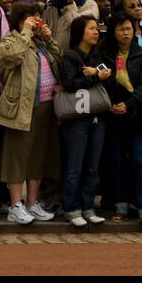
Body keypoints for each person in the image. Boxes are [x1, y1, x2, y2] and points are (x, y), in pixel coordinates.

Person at [0, 1, 62, 225]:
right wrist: (25, 33)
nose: (35, 22)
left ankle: (32, 203)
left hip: (46, 105)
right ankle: (15, 205)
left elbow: (60, 62)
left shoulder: (40, 42)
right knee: (17, 156)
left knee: (38, 155)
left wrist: (49, 39)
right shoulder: (11, 40)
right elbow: (10, 57)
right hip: (21, 107)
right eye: (30, 18)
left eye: (37, 17)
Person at [98, 10, 142, 231]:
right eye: (121, 29)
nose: (126, 33)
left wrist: (129, 104)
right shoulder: (104, 55)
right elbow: (102, 83)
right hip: (112, 116)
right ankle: (120, 206)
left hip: (136, 115)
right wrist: (111, 104)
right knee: (116, 162)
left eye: (129, 29)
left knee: (140, 162)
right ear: (113, 31)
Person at [59, 16, 109, 227]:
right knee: (74, 165)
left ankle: (88, 206)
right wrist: (95, 76)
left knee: (92, 166)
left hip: (97, 116)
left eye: (96, 29)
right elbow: (71, 84)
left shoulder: (97, 54)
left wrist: (96, 73)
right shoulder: (70, 57)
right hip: (77, 117)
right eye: (91, 29)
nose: (95, 32)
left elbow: (108, 76)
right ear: (80, 32)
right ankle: (71, 208)